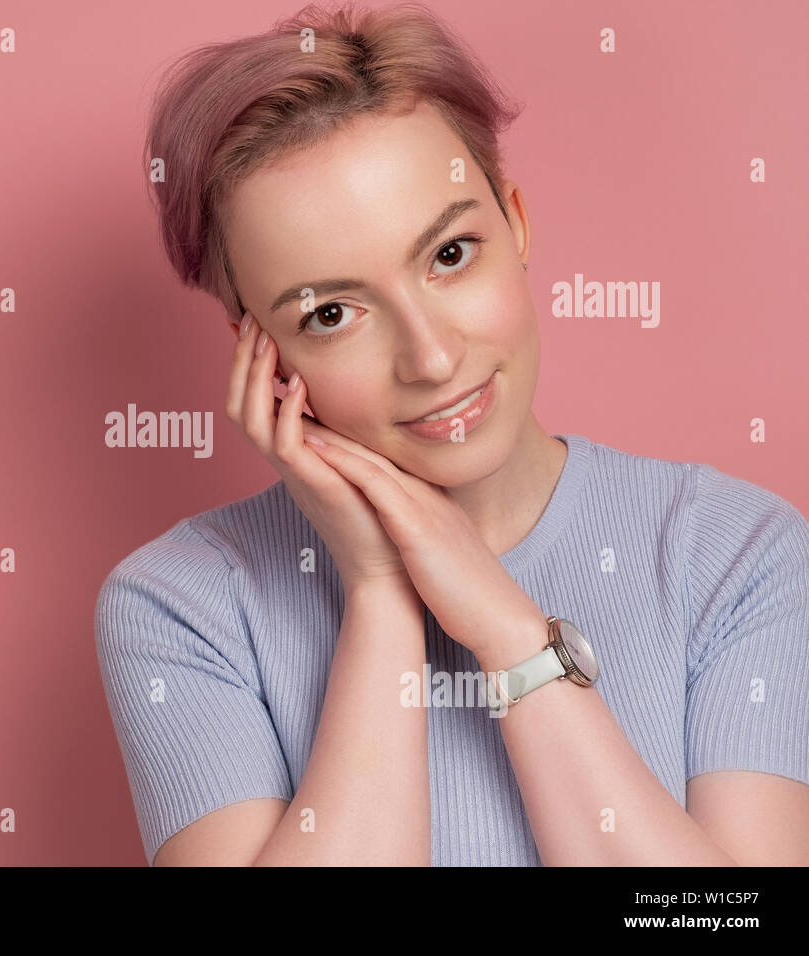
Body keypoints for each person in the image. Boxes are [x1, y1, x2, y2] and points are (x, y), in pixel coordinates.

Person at [94, 1, 809, 866]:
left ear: (516, 222)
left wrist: (507, 631)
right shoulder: (183, 606)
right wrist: (380, 590)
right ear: (260, 351)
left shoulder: (737, 553)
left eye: (450, 254)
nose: (431, 358)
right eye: (330, 313)